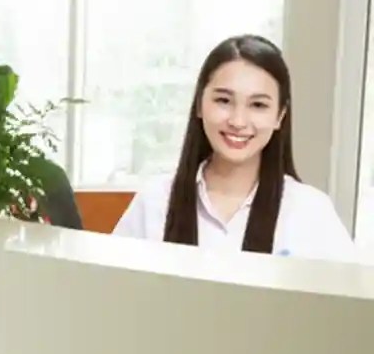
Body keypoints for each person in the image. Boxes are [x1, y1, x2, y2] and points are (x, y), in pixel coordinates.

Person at [112, 34, 357, 262]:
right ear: (199, 105)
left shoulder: (311, 211)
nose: (238, 121)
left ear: (280, 116)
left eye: (258, 105)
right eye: (224, 101)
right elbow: (115, 287)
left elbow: (350, 293)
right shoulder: (154, 202)